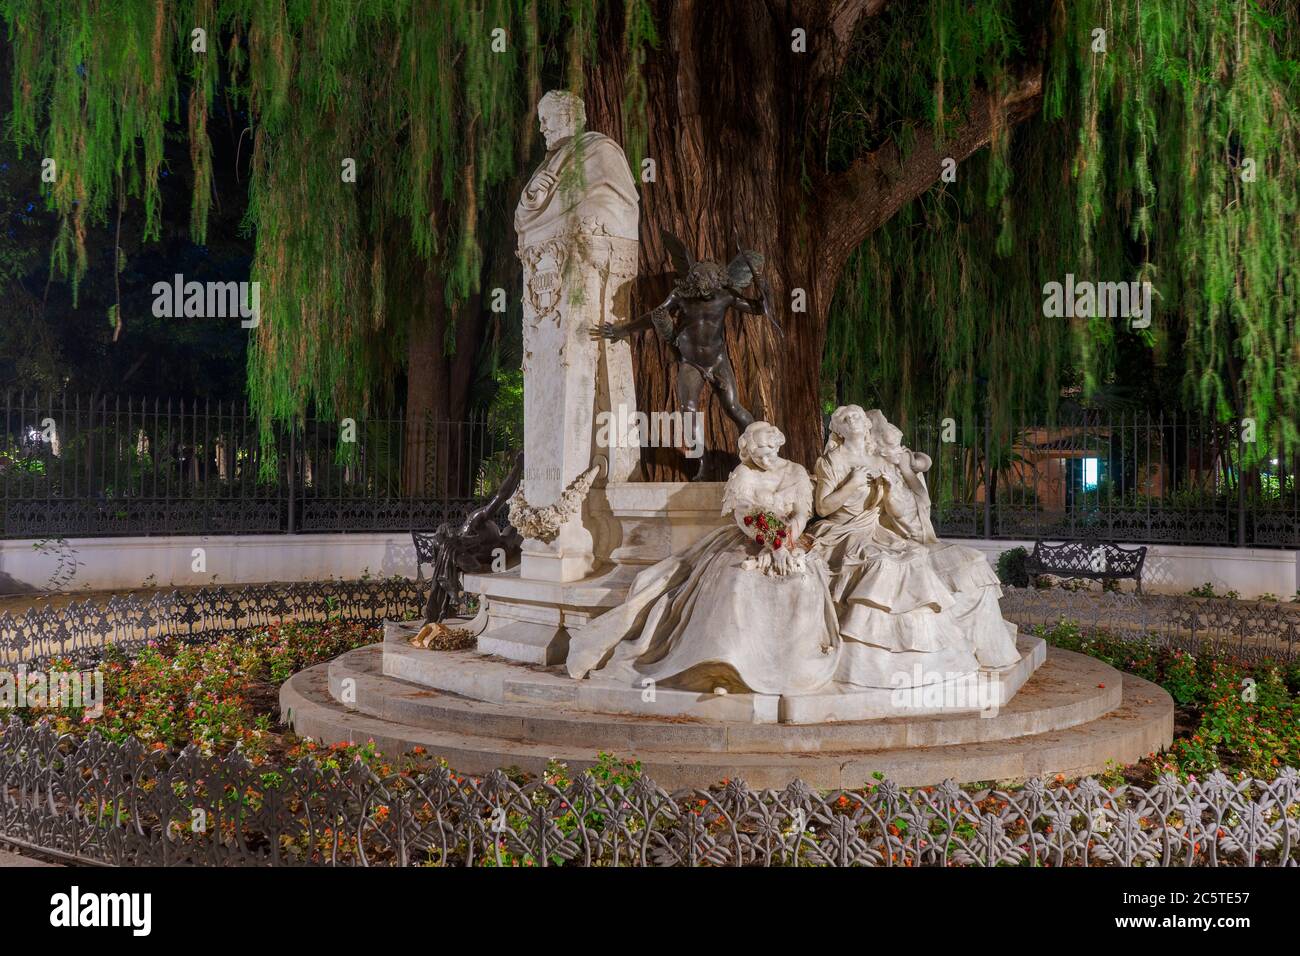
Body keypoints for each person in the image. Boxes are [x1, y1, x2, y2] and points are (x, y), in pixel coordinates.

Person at [565, 421, 840, 695]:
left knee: (803, 581)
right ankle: (723, 666)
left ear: (778, 444)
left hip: (792, 541)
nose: (763, 458)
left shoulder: (796, 472)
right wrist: (771, 544)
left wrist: (782, 544)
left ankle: (790, 667)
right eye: (756, 453)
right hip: (748, 539)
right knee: (734, 580)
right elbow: (745, 513)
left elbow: (802, 514)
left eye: (768, 450)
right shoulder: (744, 473)